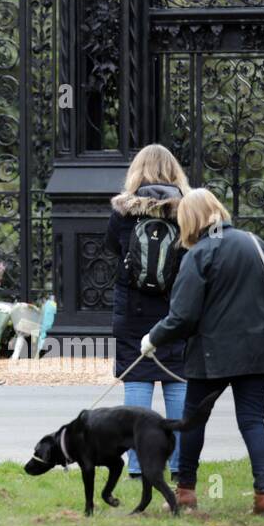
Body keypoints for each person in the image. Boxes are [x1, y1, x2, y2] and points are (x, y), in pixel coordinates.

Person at [142, 188, 264, 516]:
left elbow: (183, 316)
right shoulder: (255, 244)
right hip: (258, 351)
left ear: (189, 219)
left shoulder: (200, 253)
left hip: (211, 354)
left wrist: (153, 339)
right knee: (252, 422)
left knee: (193, 422)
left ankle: (186, 492)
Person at [105, 143, 189, 481]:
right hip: (177, 311)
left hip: (132, 312)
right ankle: (181, 466)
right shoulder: (186, 210)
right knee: (179, 387)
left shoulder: (123, 211)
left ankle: (139, 466)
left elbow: (112, 247)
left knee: (137, 389)